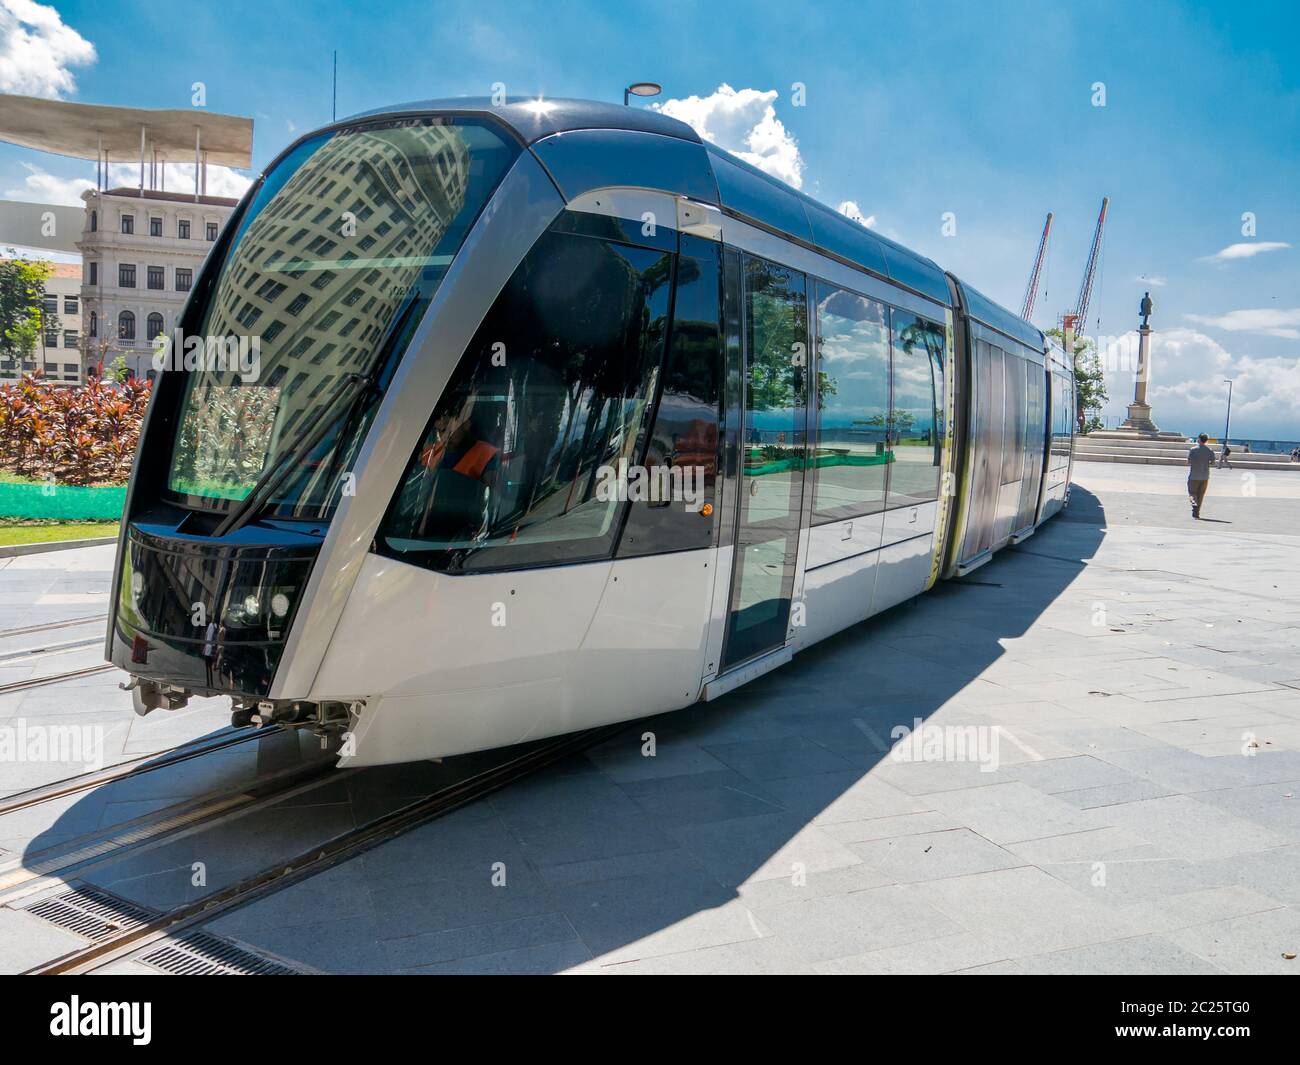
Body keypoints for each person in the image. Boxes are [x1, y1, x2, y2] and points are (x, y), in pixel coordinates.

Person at [1187, 433, 1215, 519]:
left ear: (1199, 439)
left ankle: (1194, 508)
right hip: (1204, 477)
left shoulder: (1193, 449)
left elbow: (1189, 461)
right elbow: (1213, 462)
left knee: (1192, 494)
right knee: (1200, 496)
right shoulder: (1209, 450)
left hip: (1194, 476)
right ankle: (1197, 512)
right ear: (1206, 440)